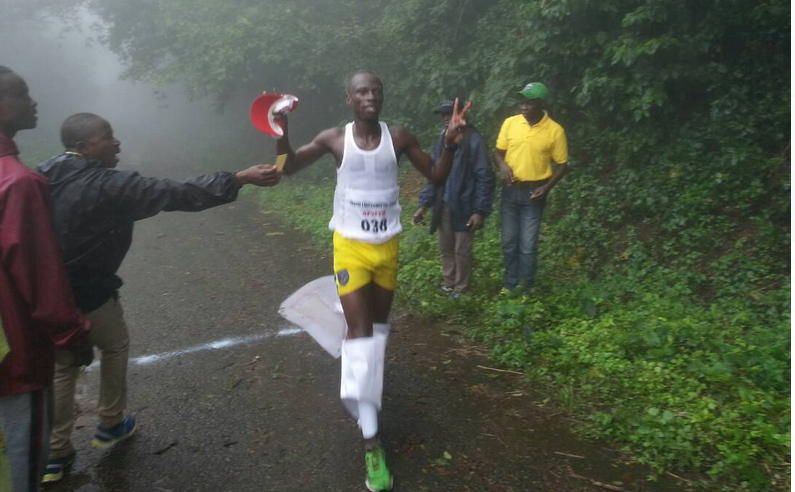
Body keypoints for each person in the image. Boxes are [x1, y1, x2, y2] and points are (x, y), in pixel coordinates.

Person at [36, 112, 282, 483]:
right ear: (85, 146)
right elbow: (177, 193)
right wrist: (238, 178)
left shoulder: (40, 174)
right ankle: (111, 422)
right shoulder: (110, 185)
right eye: (108, 137)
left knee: (62, 365)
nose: (116, 142)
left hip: (47, 293)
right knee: (115, 345)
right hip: (91, 292)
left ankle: (54, 455)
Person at [274, 71, 470, 491]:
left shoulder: (398, 137)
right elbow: (287, 168)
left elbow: (436, 176)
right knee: (363, 336)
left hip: (387, 249)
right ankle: (372, 443)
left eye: (376, 90)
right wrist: (281, 131)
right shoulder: (333, 138)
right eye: (362, 91)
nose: (371, 96)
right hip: (351, 249)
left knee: (376, 332)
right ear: (349, 98)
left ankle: (361, 382)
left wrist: (451, 144)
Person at [0, 66, 92, 492]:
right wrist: (73, 335)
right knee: (23, 467)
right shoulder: (19, 183)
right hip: (15, 358)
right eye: (21, 94)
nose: (33, 102)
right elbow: (41, 279)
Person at [413, 99, 495, 296]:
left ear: (462, 117)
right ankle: (449, 282)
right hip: (444, 203)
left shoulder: (474, 140)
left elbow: (485, 176)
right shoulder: (442, 139)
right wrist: (424, 205)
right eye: (443, 115)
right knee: (446, 247)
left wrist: (479, 211)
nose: (446, 119)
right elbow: (433, 173)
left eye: (449, 114)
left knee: (462, 249)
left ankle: (461, 288)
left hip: (465, 205)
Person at [494, 82, 568, 294]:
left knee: (527, 245)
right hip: (510, 190)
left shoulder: (555, 131)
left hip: (534, 194)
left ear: (541, 104)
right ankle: (510, 284)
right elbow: (498, 152)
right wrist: (502, 166)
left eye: (529, 103)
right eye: (522, 102)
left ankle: (527, 289)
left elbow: (563, 166)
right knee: (509, 241)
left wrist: (546, 188)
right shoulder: (510, 123)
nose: (524, 107)